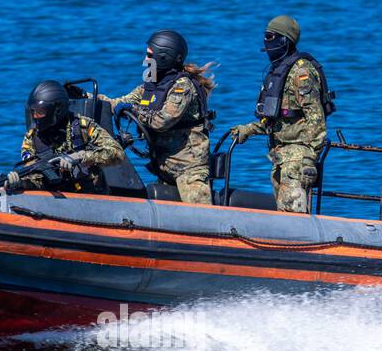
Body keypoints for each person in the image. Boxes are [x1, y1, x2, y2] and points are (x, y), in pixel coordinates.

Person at [226, 16, 335, 212]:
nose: (265, 42)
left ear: (284, 40)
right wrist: (249, 129)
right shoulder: (278, 72)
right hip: (279, 156)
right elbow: (278, 119)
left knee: (293, 215)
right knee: (283, 213)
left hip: (298, 156)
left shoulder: (301, 72)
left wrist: (310, 158)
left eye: (269, 36)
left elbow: (315, 117)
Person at [98, 30, 215, 204]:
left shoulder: (182, 87)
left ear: (163, 57)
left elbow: (161, 121)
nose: (145, 60)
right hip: (164, 167)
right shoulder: (151, 87)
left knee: (200, 217)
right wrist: (90, 98)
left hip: (189, 169)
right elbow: (118, 103)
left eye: (149, 55)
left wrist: (134, 110)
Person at [4, 80, 127, 193]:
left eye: (40, 112)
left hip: (92, 194)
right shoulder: (32, 138)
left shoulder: (83, 127)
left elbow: (117, 153)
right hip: (55, 196)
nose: (35, 116)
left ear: (56, 110)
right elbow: (35, 175)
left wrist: (80, 157)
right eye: (32, 111)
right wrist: (21, 182)